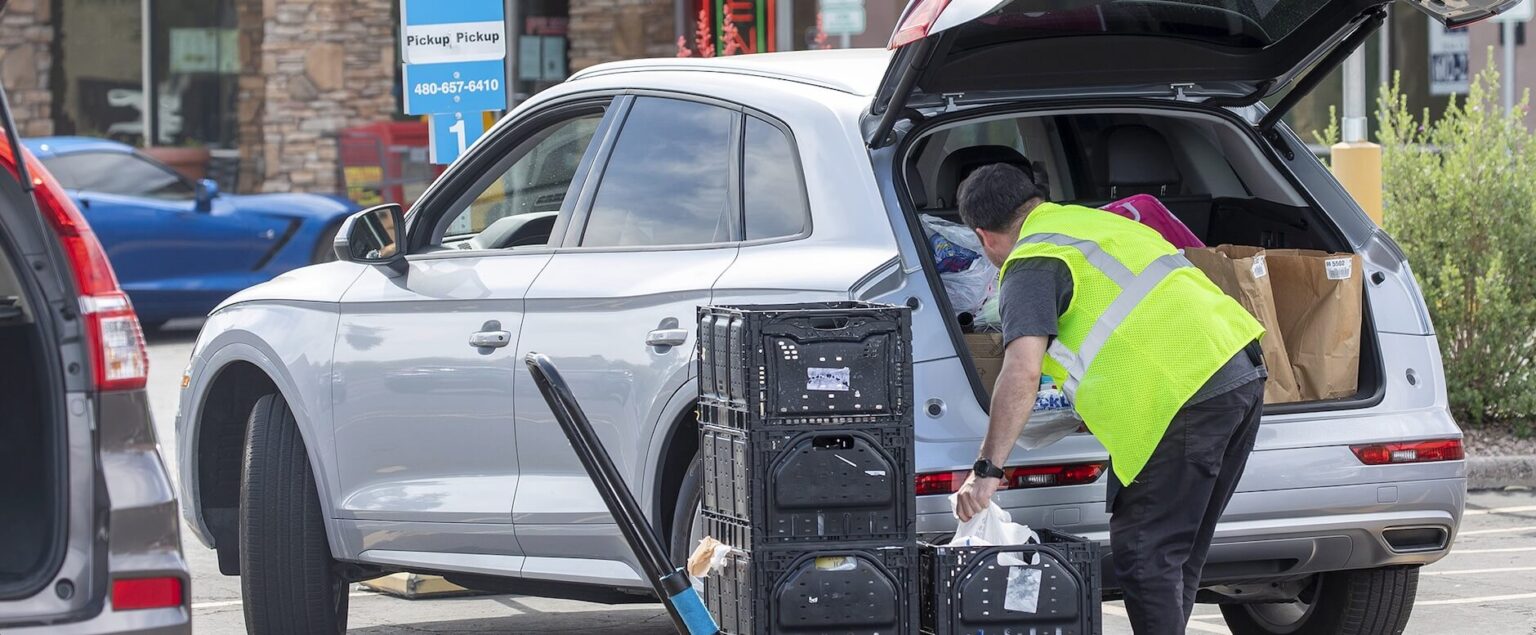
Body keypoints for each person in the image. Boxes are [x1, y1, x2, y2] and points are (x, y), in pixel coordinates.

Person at [950, 163, 1268, 633]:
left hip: (1181, 397)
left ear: (984, 235)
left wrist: (987, 471)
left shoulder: (1031, 261)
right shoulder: (1096, 223)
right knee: (1175, 554)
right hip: (1240, 372)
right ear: (1034, 200)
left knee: (1144, 554)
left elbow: (1022, 369)